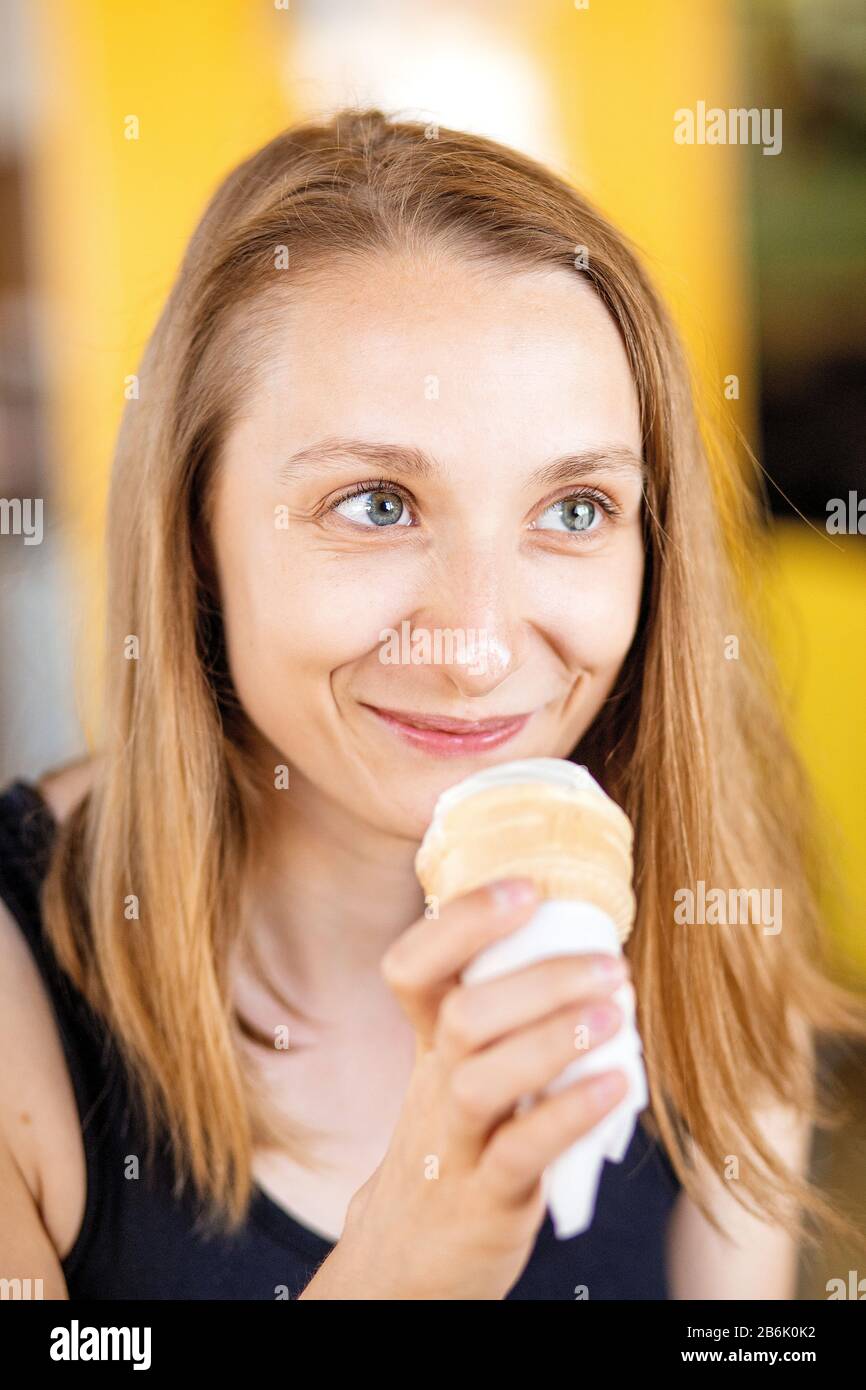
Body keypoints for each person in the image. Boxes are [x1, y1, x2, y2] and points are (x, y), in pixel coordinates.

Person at [1, 108, 863, 1301]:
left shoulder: (708, 932)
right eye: (374, 503)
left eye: (573, 511)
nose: (475, 646)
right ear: (194, 531)